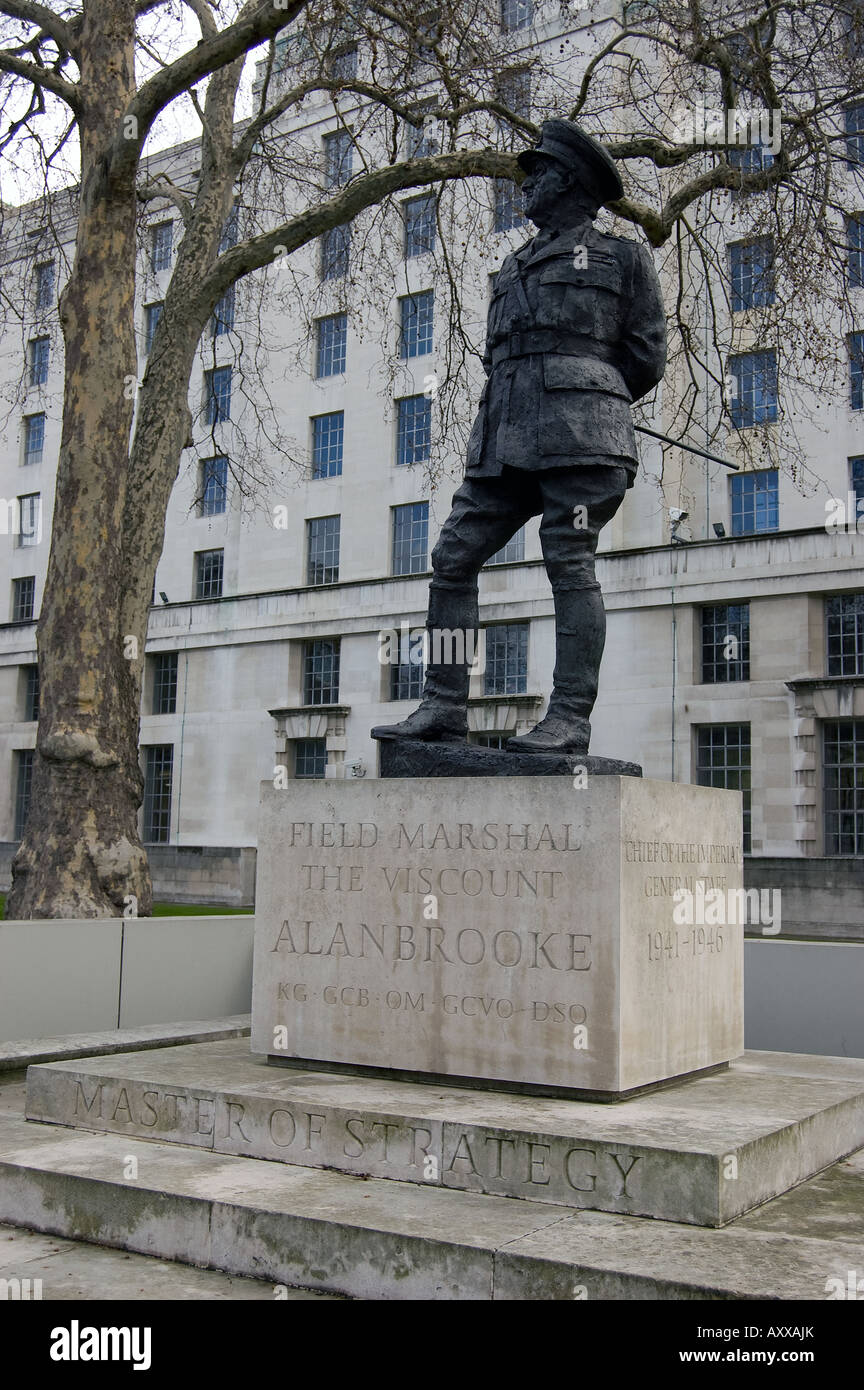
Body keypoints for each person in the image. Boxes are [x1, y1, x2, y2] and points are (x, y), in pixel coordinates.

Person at [373, 118, 667, 755]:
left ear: (567, 182)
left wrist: (587, 397)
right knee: (453, 559)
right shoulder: (512, 266)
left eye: (535, 174)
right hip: (503, 434)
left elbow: (645, 356)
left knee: (569, 561)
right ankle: (445, 706)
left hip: (582, 436)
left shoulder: (622, 255)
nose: (524, 184)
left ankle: (569, 719)